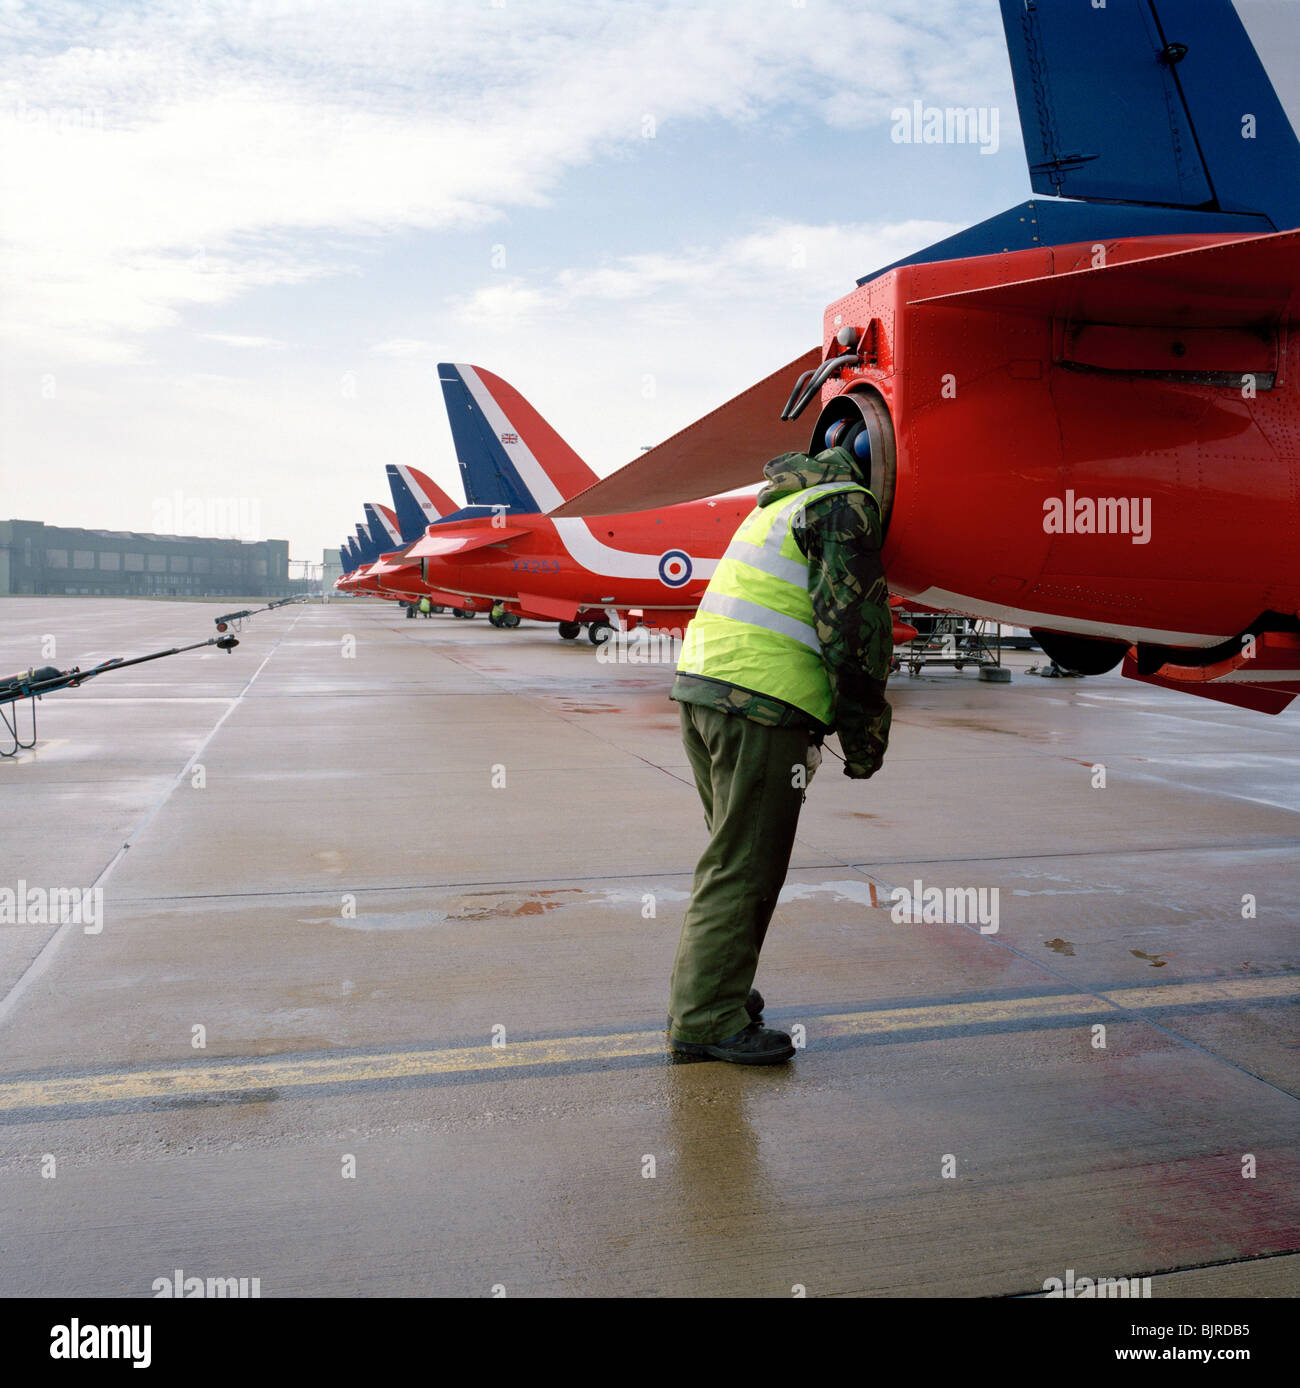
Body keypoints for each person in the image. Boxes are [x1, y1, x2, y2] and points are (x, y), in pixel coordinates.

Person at [666, 424, 893, 1064]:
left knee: (732, 857)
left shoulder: (780, 501)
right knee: (745, 867)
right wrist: (866, 734)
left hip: (705, 692)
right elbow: (856, 635)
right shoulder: (845, 505)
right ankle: (706, 1019)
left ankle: (718, 989)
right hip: (761, 706)